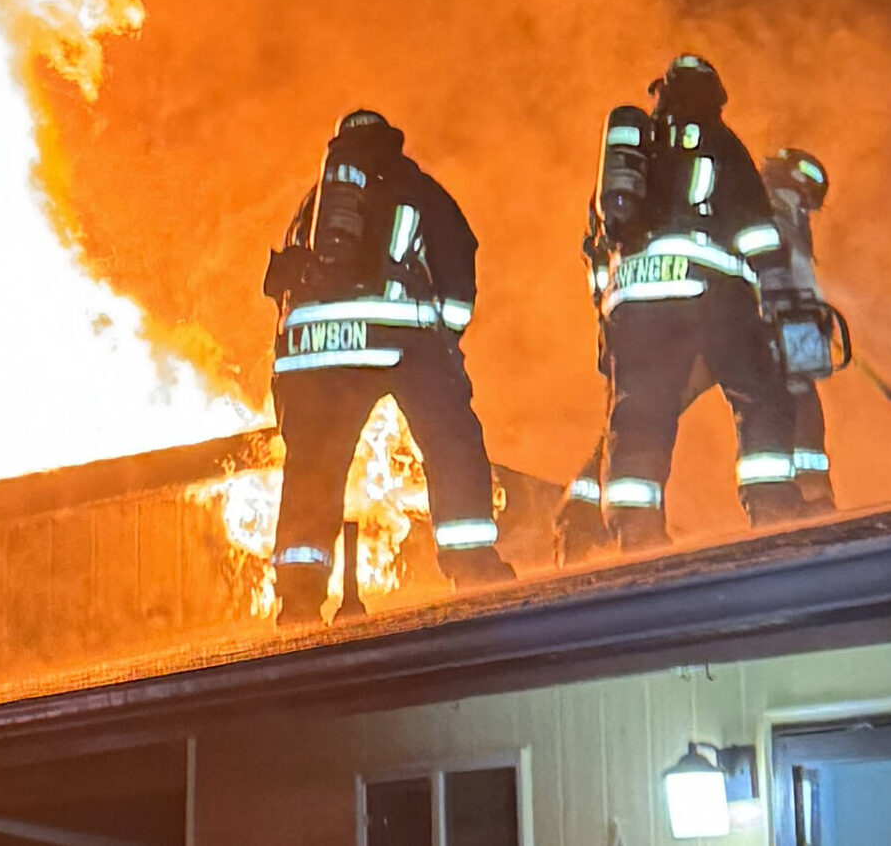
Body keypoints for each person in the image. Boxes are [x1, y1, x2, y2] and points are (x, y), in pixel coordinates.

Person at [262, 109, 515, 624]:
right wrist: (444, 335)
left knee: (312, 470)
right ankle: (472, 564)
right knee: (451, 444)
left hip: (312, 350)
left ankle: (298, 597)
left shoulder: (313, 204)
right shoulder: (417, 189)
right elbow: (457, 265)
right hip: (397, 337)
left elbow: (285, 286)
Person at [564, 55, 804, 554]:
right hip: (712, 293)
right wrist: (778, 291)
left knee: (641, 412)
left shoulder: (629, 155)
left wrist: (608, 316)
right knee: (758, 393)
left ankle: (636, 528)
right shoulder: (722, 144)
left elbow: (595, 244)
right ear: (715, 98)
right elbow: (755, 227)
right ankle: (773, 507)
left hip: (634, 303)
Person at [757, 148, 836, 512]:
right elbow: (799, 279)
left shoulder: (756, 207)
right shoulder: (783, 214)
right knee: (804, 411)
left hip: (765, 332)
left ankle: (787, 501)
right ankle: (813, 501)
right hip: (785, 331)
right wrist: (815, 335)